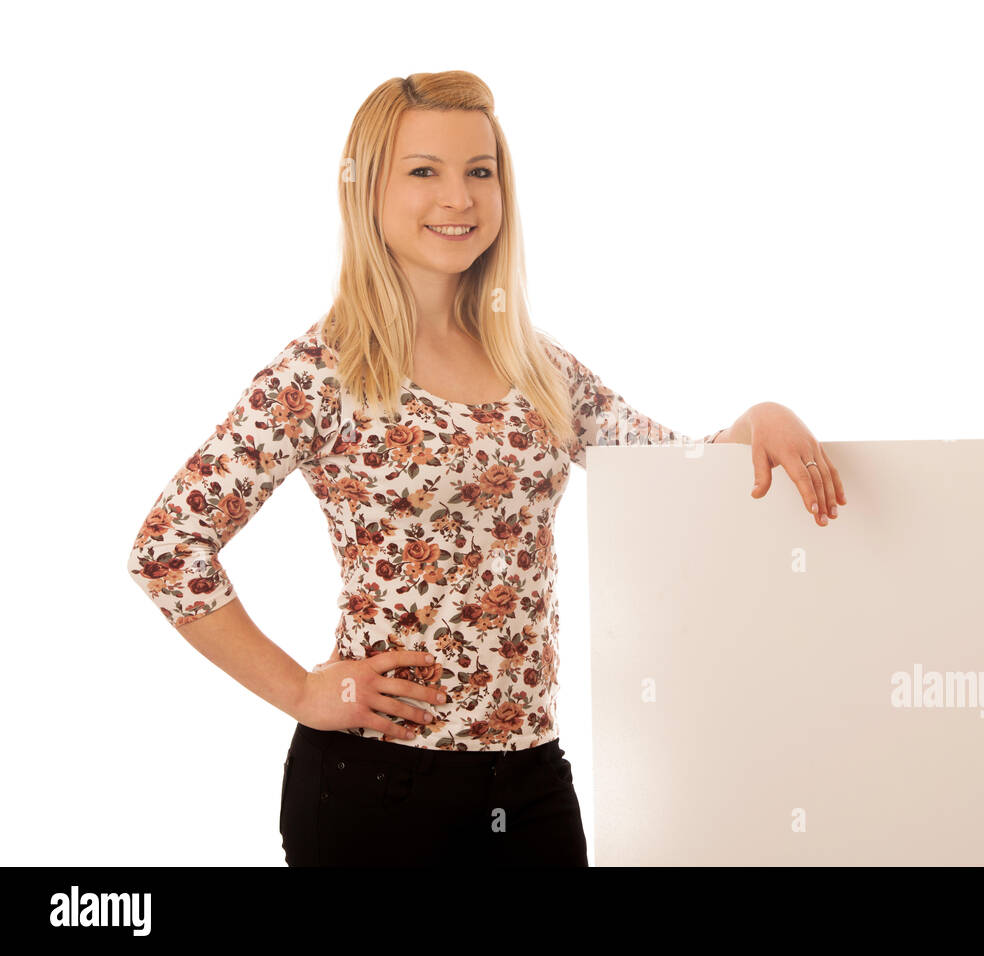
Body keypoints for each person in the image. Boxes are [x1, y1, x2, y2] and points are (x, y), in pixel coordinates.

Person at [125, 70, 847, 867]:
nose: (459, 198)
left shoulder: (537, 368)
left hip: (531, 781)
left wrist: (757, 420)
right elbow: (168, 547)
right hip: (378, 787)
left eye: (480, 170)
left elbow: (670, 473)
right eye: (424, 171)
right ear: (367, 189)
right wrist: (301, 691)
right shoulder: (323, 373)